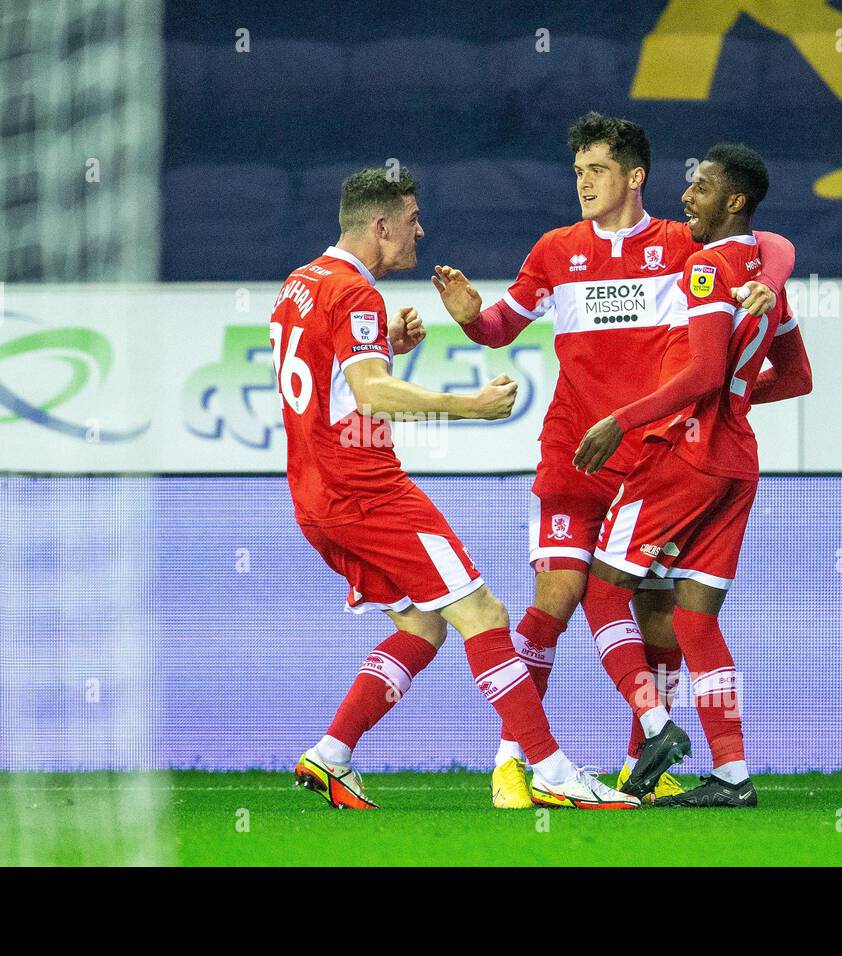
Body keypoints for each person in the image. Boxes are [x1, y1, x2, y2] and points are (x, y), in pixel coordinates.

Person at [432, 114, 793, 808]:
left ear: (634, 176)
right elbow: (503, 327)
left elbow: (769, 243)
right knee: (558, 599)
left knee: (659, 619)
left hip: (653, 459)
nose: (583, 184)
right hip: (576, 454)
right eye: (576, 173)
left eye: (596, 170)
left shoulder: (680, 244)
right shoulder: (555, 250)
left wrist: (770, 281)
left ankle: (641, 765)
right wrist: (472, 318)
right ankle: (515, 764)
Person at [279, 167, 639, 810]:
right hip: (368, 493)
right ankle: (552, 772)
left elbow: (326, 374)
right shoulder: (356, 295)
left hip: (313, 498)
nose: (422, 230)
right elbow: (368, 392)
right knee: (486, 616)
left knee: (421, 625)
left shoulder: (302, 284)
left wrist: (385, 344)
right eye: (413, 219)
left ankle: (331, 753)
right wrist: (469, 406)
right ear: (380, 224)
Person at [572, 143, 813, 807]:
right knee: (698, 626)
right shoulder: (766, 272)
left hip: (686, 456)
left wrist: (621, 420)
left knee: (601, 590)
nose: (687, 198)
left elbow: (703, 374)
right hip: (739, 463)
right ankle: (734, 777)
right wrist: (734, 403)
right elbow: (797, 377)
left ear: (733, 201)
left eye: (701, 188)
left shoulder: (706, 269)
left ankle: (654, 725)